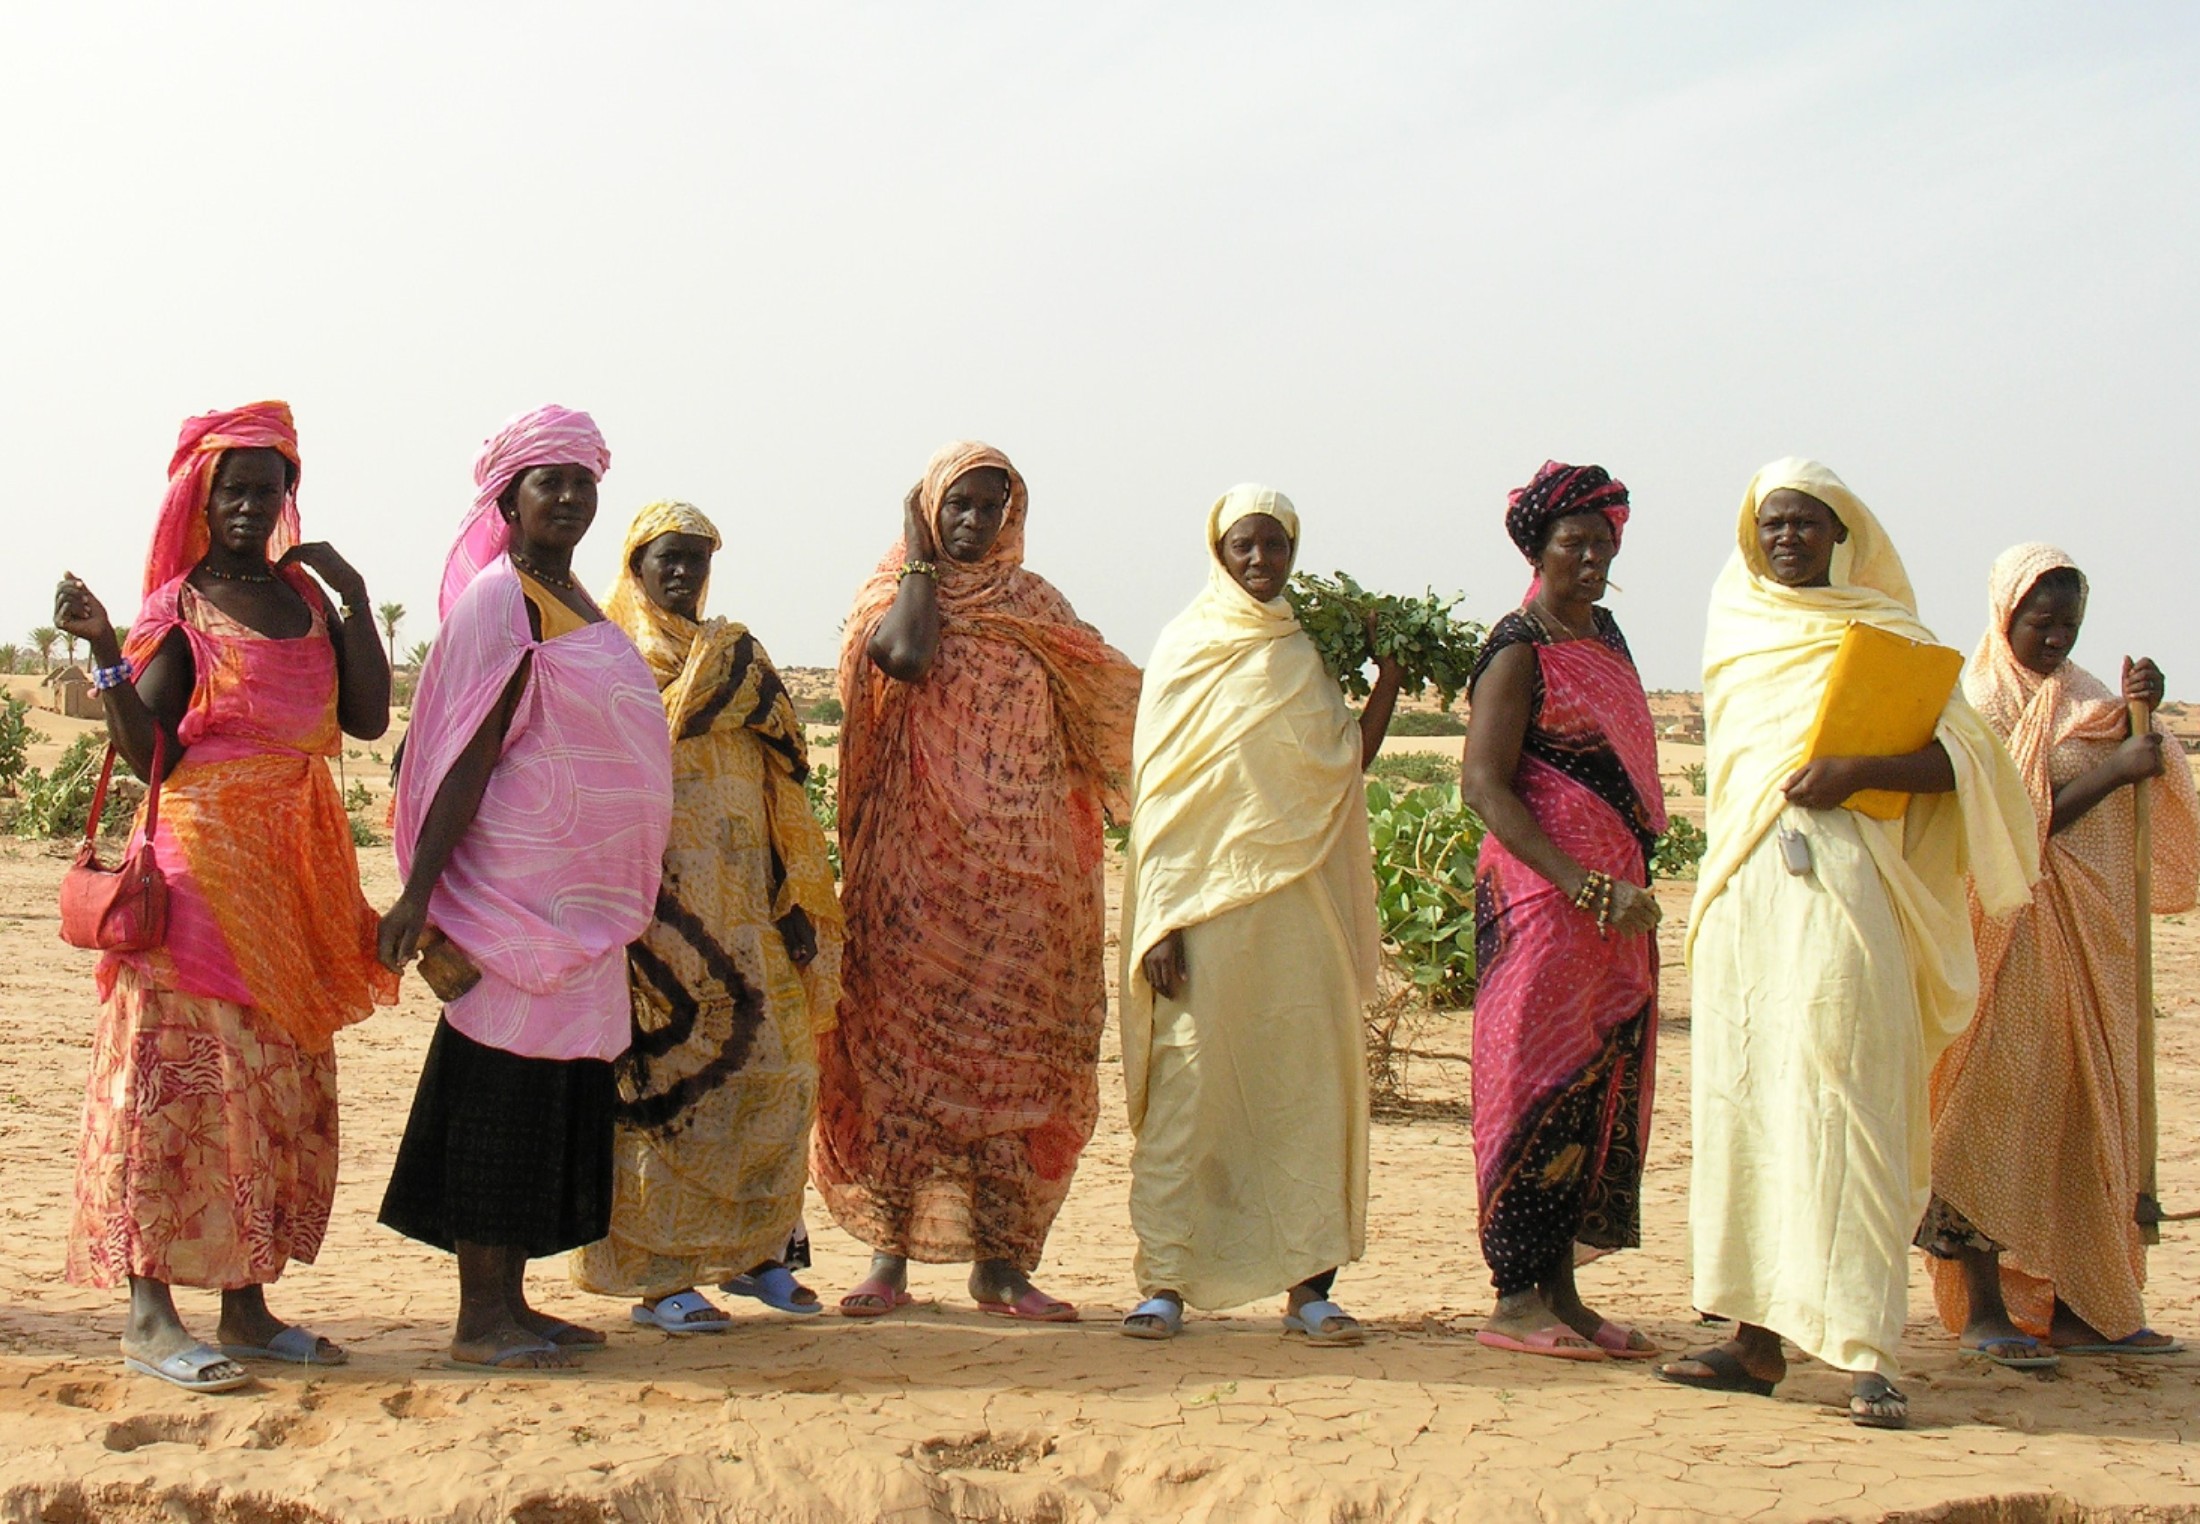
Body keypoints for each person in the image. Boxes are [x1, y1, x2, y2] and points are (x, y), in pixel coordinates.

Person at [1660, 459, 2036, 1429]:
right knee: (1748, 1112)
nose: (1786, 539)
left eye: (1806, 524)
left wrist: (1856, 768)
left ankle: (1869, 1353)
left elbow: (1967, 761)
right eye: (1772, 524)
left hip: (1847, 896)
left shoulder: (1886, 637)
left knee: (1852, 1107)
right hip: (1745, 904)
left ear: (1841, 536)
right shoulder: (1734, 628)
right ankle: (1752, 1341)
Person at [54, 401, 398, 1393]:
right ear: (202, 496)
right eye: (233, 488)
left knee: (269, 1087)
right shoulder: (182, 607)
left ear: (292, 493)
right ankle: (149, 1315)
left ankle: (246, 1308)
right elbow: (149, 750)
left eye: (269, 486)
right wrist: (108, 649)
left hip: (294, 878)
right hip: (198, 874)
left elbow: (368, 718)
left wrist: (357, 601)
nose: (251, 504)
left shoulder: (306, 603)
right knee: (180, 1087)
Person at [813, 440, 1140, 1321]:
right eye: (957, 504)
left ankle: (1003, 1264)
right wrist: (915, 552)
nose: (975, 521)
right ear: (928, 509)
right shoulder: (893, 598)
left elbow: (1112, 702)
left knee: (1015, 1074)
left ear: (1013, 515)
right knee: (903, 1065)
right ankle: (889, 1257)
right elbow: (907, 657)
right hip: (914, 887)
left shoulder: (1036, 605)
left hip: (1028, 894)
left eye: (990, 506)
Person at [376, 405, 673, 1370]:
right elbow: (465, 755)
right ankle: (479, 1320)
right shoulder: (503, 601)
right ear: (508, 498)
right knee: (498, 1095)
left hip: (580, 912)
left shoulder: (572, 597)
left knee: (551, 1098)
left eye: (584, 482)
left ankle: (513, 1302)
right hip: (513, 903)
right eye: (551, 482)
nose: (572, 498)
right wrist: (421, 899)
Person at [1117, 485, 1401, 1345]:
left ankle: (1311, 1286)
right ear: (1219, 548)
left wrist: (1388, 679)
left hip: (1298, 911)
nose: (1259, 561)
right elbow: (1159, 801)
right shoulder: (1184, 647)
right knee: (1190, 1090)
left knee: (1303, 1093)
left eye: (1274, 546)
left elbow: (1343, 761)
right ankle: (1164, 1278)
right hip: (1202, 915)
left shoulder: (1306, 655)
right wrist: (1158, 922)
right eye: (1244, 544)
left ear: (1293, 553)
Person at [1919, 544, 2199, 1363]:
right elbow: (2008, 819)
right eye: (2041, 622)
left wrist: (2144, 717)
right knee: (1986, 1114)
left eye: (2069, 624)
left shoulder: (2082, 696)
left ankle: (2081, 1306)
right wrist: (2115, 771)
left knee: (2080, 1118)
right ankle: (1984, 1307)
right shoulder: (1979, 703)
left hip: (2087, 948)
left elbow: (2144, 762)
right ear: (2006, 613)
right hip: (2006, 938)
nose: (2055, 638)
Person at [569, 501, 845, 1331]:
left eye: (697, 557)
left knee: (778, 1075)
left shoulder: (739, 659)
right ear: (636, 567)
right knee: (666, 1085)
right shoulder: (608, 657)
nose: (684, 573)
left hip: (749, 909)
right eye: (668, 559)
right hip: (654, 916)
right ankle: (661, 1279)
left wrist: (793, 891)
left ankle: (762, 1256)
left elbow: (780, 785)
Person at [1459, 462, 1664, 1363]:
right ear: (1537, 551)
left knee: (1593, 1091)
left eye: (1602, 544)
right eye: (1571, 543)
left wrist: (1615, 890)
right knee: (1530, 1088)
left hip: (1613, 917)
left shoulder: (1607, 639)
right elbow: (1484, 788)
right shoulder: (1517, 648)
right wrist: (1582, 884)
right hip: (1543, 907)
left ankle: (1564, 1294)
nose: (1589, 557)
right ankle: (1514, 1299)